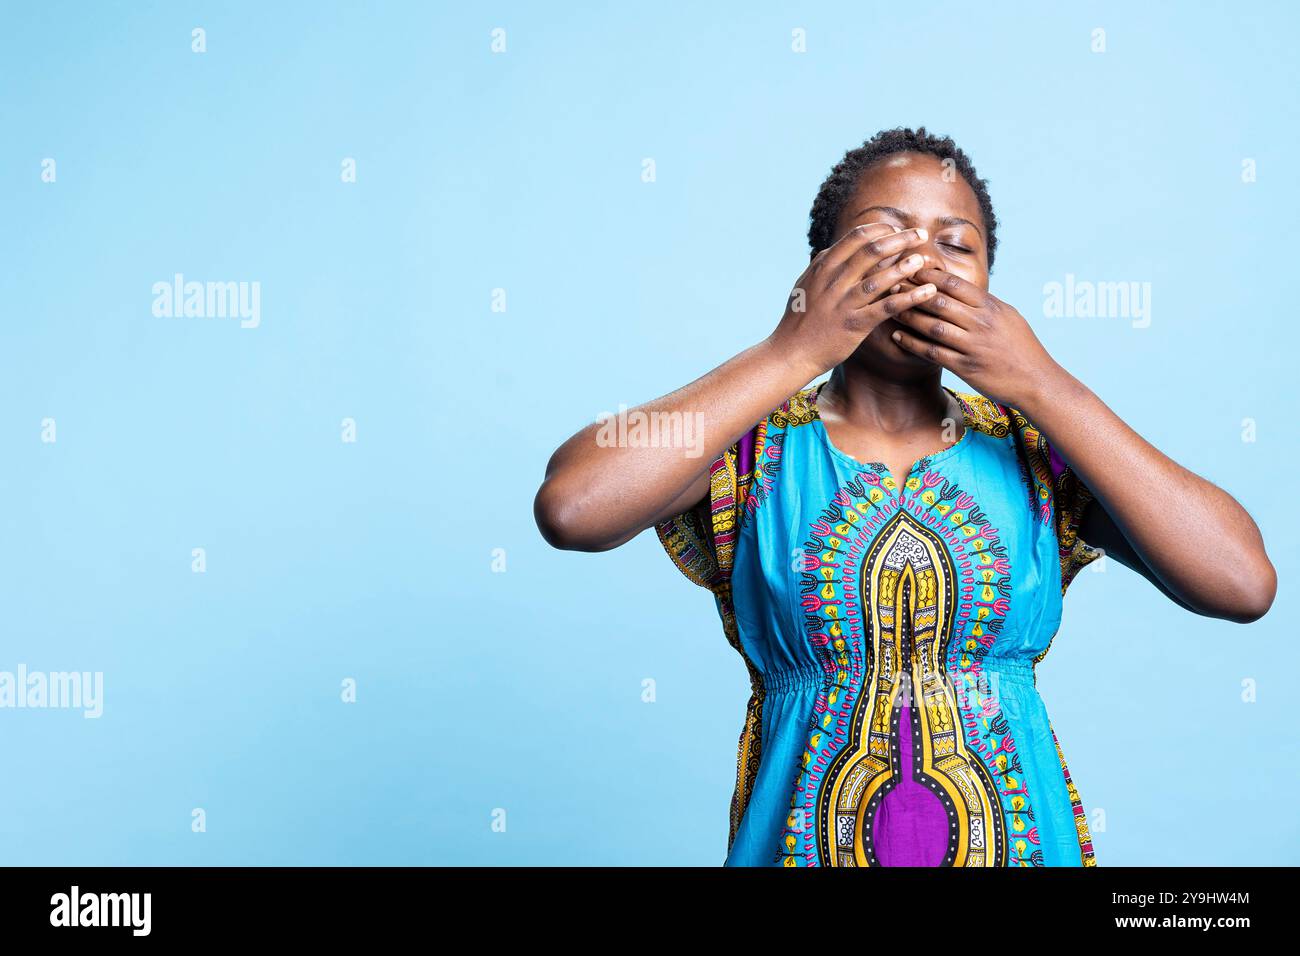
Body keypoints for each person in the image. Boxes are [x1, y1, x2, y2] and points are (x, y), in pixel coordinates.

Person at [533, 127, 1277, 867]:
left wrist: (1045, 385)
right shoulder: (753, 452)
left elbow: (1241, 583)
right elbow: (574, 506)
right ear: (820, 270)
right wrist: (791, 350)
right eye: (882, 240)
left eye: (956, 246)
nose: (921, 265)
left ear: (989, 282)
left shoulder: (1033, 450)